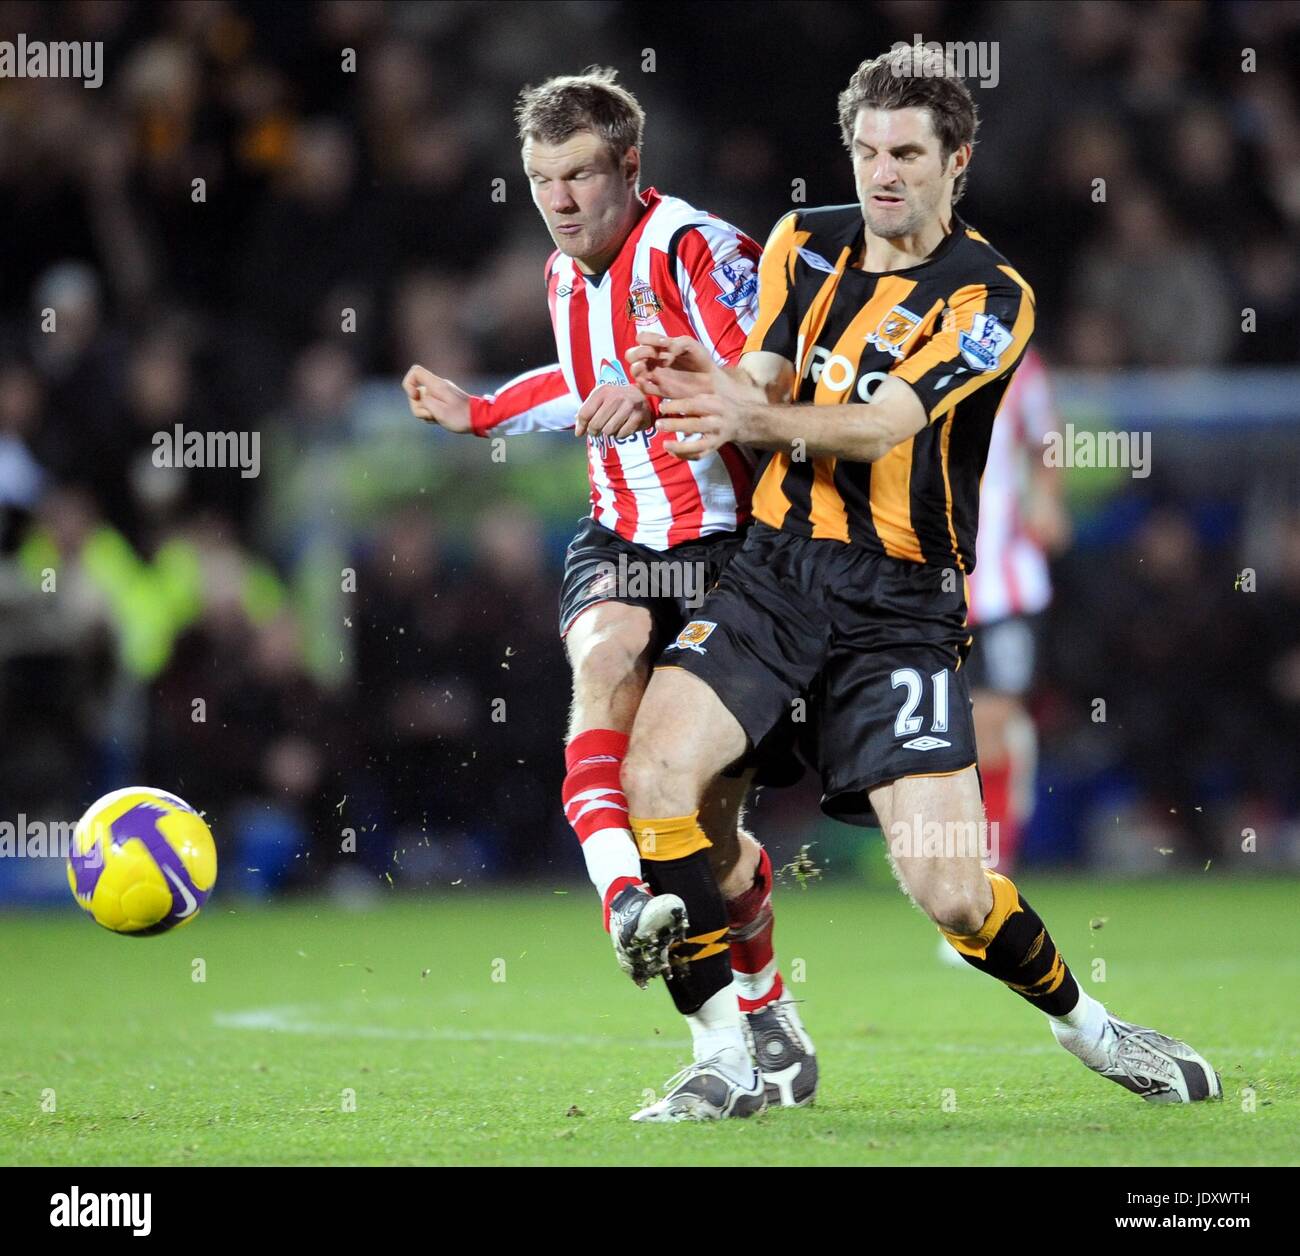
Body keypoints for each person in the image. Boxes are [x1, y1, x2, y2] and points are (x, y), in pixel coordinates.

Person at [620, 45, 1220, 1120]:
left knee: (948, 886)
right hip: (771, 575)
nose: (882, 171)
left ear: (958, 161)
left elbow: (883, 422)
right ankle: (726, 1048)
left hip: (898, 605)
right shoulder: (803, 242)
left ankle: (1094, 1028)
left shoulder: (990, 295)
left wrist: (751, 416)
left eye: (906, 152)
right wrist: (698, 383)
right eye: (865, 150)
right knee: (659, 778)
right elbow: (763, 369)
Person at [402, 68, 816, 1108]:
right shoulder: (555, 274)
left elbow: (761, 368)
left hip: (731, 555)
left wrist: (661, 388)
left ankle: (766, 1009)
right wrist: (485, 410)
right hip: (621, 540)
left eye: (579, 174)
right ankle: (634, 916)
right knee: (600, 661)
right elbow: (581, 381)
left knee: (709, 832)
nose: (560, 198)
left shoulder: (693, 245)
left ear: (629, 168)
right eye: (542, 178)